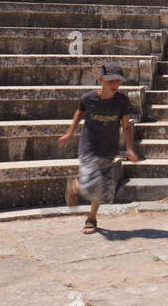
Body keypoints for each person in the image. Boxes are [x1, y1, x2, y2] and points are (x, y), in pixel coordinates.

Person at [59, 62, 140, 234]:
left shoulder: (122, 101)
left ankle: (92, 218)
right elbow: (79, 113)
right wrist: (69, 133)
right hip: (89, 147)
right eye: (111, 81)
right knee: (94, 182)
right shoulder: (88, 98)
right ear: (100, 80)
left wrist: (130, 148)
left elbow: (126, 126)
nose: (115, 85)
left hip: (109, 149)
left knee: (102, 190)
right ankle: (76, 186)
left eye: (118, 81)